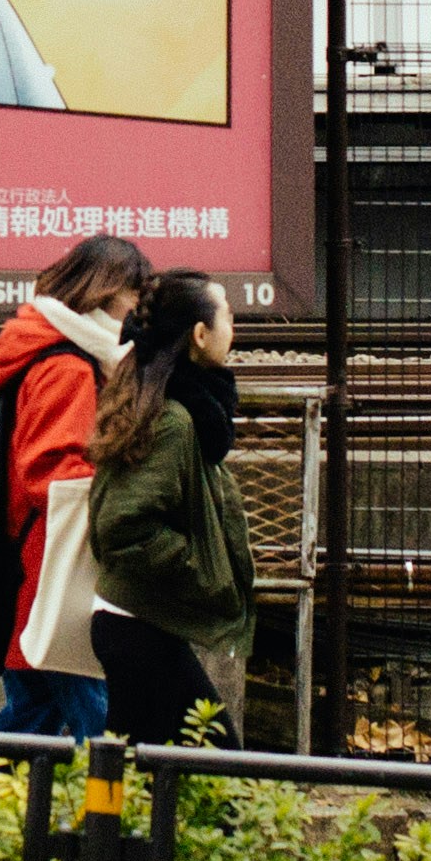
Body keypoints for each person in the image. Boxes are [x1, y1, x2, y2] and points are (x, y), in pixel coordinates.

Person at [0, 231, 148, 745]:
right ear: (106, 290)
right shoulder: (67, 367)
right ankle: (124, 817)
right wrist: (123, 492)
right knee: (108, 728)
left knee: (28, 723)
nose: (138, 306)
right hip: (55, 575)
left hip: (38, 569)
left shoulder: (50, 353)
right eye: (134, 292)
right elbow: (51, 474)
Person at [85, 272, 252, 747]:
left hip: (134, 621)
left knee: (129, 765)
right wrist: (199, 567)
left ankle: (106, 822)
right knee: (219, 763)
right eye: (228, 316)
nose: (234, 328)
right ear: (201, 335)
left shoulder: (162, 403)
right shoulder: (174, 421)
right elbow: (125, 527)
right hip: (135, 624)